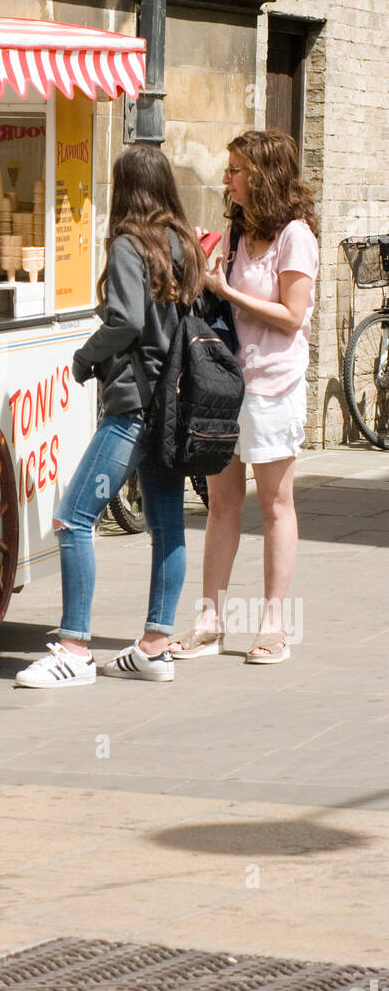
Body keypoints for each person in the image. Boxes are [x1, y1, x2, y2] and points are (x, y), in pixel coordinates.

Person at [15, 143, 205, 688]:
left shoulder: (129, 244)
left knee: (73, 518)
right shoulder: (184, 244)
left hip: (133, 408)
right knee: (168, 526)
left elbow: (124, 319)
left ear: (125, 189)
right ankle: (156, 644)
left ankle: (74, 649)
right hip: (173, 406)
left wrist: (84, 357)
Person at [169, 130, 319, 665]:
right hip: (227, 383)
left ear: (261, 176)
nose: (226, 177)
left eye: (235, 169)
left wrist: (226, 290)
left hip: (275, 383)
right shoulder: (236, 231)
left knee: (276, 503)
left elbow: (293, 315)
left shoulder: (295, 236)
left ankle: (273, 624)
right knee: (222, 502)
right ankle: (210, 618)